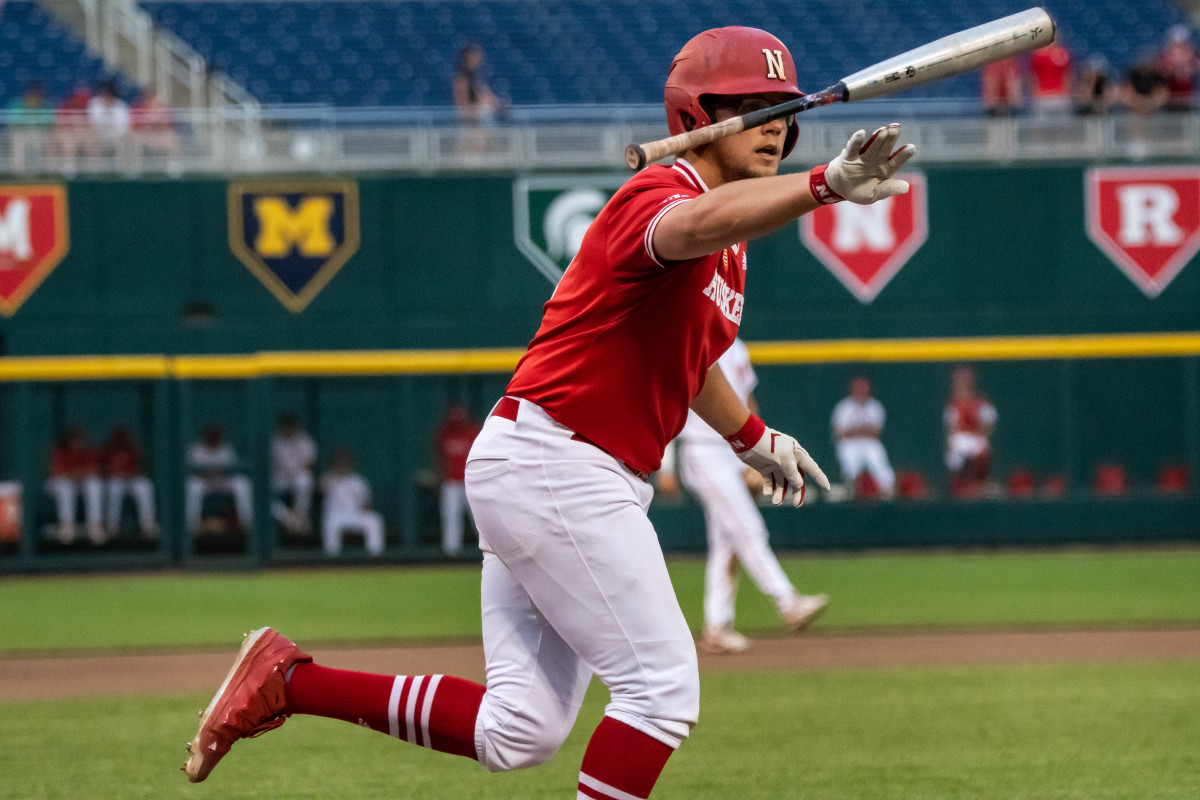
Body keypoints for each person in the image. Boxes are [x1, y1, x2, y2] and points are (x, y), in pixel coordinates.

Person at [184, 27, 914, 797]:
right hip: (560, 463)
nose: (777, 124)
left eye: (785, 111)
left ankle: (287, 681)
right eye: (755, 106)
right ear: (699, 115)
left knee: (520, 729)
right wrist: (822, 186)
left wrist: (753, 436)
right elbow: (694, 227)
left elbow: (685, 359)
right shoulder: (660, 197)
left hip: (553, 467)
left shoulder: (729, 240)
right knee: (661, 692)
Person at [657, 337, 828, 654]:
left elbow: (748, 403)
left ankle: (717, 626)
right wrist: (667, 466)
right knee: (748, 526)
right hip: (701, 451)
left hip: (733, 452)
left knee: (727, 541)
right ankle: (787, 601)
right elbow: (672, 402)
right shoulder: (693, 338)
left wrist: (757, 456)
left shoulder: (736, 346)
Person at [831, 376, 895, 499]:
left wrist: (854, 430)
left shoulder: (875, 406)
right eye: (858, 389)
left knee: (878, 458)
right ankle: (851, 491)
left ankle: (887, 492)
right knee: (849, 460)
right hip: (849, 444)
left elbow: (876, 432)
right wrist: (863, 429)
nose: (861, 392)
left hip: (869, 443)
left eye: (864, 389)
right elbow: (840, 433)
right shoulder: (844, 407)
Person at [185, 424, 253, 534]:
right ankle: (192, 526)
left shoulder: (226, 448)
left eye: (216, 435)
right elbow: (194, 469)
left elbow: (229, 468)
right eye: (211, 435)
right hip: (205, 482)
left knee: (242, 483)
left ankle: (247, 524)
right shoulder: (197, 449)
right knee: (193, 486)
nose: (214, 438)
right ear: (206, 436)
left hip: (221, 481)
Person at [432, 401, 480, 556]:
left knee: (479, 519)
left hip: (471, 482)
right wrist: (439, 479)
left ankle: (490, 553)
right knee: (451, 519)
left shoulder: (473, 431)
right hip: (451, 483)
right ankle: (451, 555)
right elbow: (437, 458)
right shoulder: (444, 433)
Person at [319, 449, 385, 557]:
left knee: (374, 520)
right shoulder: (329, 479)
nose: (342, 465)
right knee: (331, 523)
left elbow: (367, 501)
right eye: (339, 462)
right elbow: (321, 489)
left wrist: (365, 508)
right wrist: (334, 477)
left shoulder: (358, 480)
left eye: (345, 462)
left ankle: (375, 559)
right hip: (336, 514)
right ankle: (332, 560)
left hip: (356, 513)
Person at [944, 366, 998, 498]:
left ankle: (980, 484)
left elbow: (989, 421)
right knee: (955, 449)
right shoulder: (953, 404)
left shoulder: (980, 403)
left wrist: (979, 434)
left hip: (975, 437)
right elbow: (951, 427)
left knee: (982, 449)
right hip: (960, 437)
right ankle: (957, 487)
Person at [45, 426, 103, 545]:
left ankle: (95, 526)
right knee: (65, 486)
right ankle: (66, 526)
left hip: (78, 484)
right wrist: (76, 474)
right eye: (75, 440)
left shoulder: (86, 452)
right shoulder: (60, 452)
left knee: (94, 485)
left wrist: (77, 474)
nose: (78, 443)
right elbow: (57, 473)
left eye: (80, 440)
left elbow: (94, 471)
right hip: (56, 486)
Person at [99, 425, 158, 539]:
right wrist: (116, 474)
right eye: (119, 438)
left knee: (144, 486)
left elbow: (139, 469)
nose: (122, 440)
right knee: (114, 487)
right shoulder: (108, 450)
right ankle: (112, 525)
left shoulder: (133, 449)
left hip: (130, 480)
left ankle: (147, 525)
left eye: (124, 437)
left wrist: (127, 474)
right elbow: (103, 471)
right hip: (114, 481)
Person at [269, 412, 316, 536]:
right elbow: (273, 466)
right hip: (280, 479)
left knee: (304, 479)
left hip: (296, 477)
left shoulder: (304, 440)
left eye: (291, 425)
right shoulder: (275, 441)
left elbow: (308, 465)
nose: (288, 428)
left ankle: (300, 515)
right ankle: (290, 520)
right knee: (264, 496)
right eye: (286, 426)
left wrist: (293, 471)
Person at [130, 89, 183, 176]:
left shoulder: (160, 107)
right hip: (144, 136)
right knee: (133, 138)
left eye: (151, 96)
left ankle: (174, 165)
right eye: (147, 96)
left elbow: (166, 126)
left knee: (171, 137)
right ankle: (134, 167)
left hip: (158, 136)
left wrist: (154, 119)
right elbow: (133, 127)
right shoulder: (138, 107)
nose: (149, 98)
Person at [7, 81, 52, 173]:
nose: (34, 97)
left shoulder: (47, 106)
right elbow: (13, 124)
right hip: (20, 133)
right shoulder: (16, 105)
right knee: (19, 140)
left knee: (38, 139)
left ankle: (38, 171)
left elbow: (48, 126)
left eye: (36, 95)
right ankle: (18, 172)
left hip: (39, 134)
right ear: (26, 94)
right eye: (32, 94)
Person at [452, 43, 501, 126]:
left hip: (482, 118)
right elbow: (462, 104)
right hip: (473, 121)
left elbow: (488, 97)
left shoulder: (477, 77)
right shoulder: (462, 79)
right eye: (474, 56)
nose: (478, 60)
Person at [1158, 25, 1199, 112]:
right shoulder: (1165, 56)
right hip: (1171, 97)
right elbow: (1163, 73)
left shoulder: (1193, 55)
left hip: (1188, 97)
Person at [1028, 39, 1073, 116]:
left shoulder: (1062, 54)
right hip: (1043, 97)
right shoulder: (1038, 56)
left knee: (1063, 125)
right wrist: (1036, 93)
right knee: (1042, 125)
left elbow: (1067, 76)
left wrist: (1065, 92)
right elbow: (1034, 78)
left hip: (1060, 96)